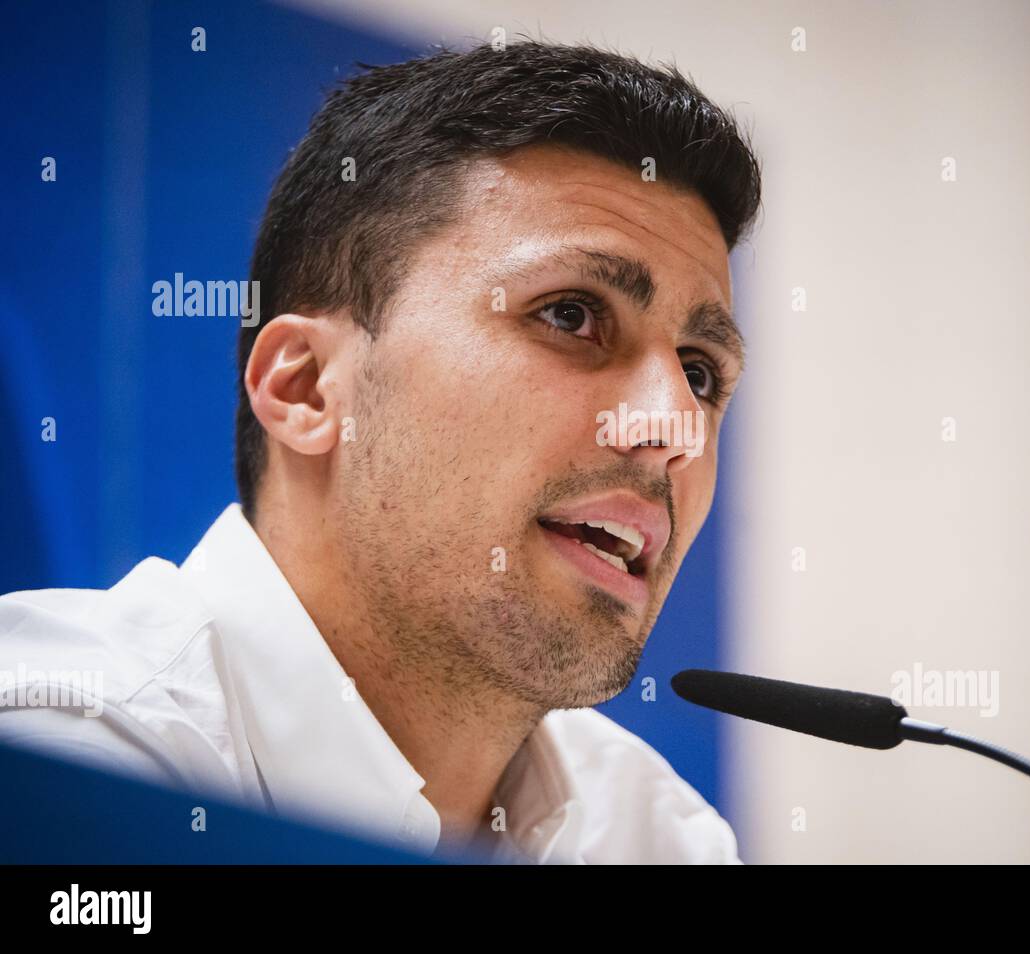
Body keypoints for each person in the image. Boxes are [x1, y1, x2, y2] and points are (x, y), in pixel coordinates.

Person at [0, 39, 761, 864]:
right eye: (572, 315)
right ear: (307, 389)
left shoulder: (661, 839)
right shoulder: (56, 756)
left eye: (700, 373)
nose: (675, 426)